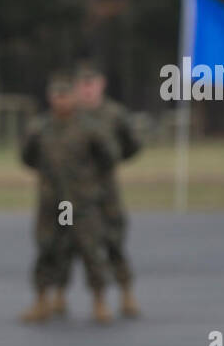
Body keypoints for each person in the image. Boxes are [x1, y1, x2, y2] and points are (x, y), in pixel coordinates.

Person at [19, 71, 118, 324]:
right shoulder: (40, 128)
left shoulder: (90, 127)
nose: (61, 101)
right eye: (56, 96)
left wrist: (90, 181)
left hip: (82, 201)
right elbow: (27, 158)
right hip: (53, 201)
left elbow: (109, 156)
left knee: (91, 250)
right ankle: (42, 300)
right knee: (47, 249)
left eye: (65, 96)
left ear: (73, 98)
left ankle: (100, 302)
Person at [62, 60, 141, 318]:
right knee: (75, 244)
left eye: (91, 84)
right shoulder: (68, 114)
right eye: (81, 85)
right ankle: (77, 298)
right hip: (74, 192)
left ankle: (126, 293)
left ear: (101, 85)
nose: (86, 90)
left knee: (114, 241)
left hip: (106, 188)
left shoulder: (114, 114)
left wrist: (113, 160)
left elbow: (132, 145)